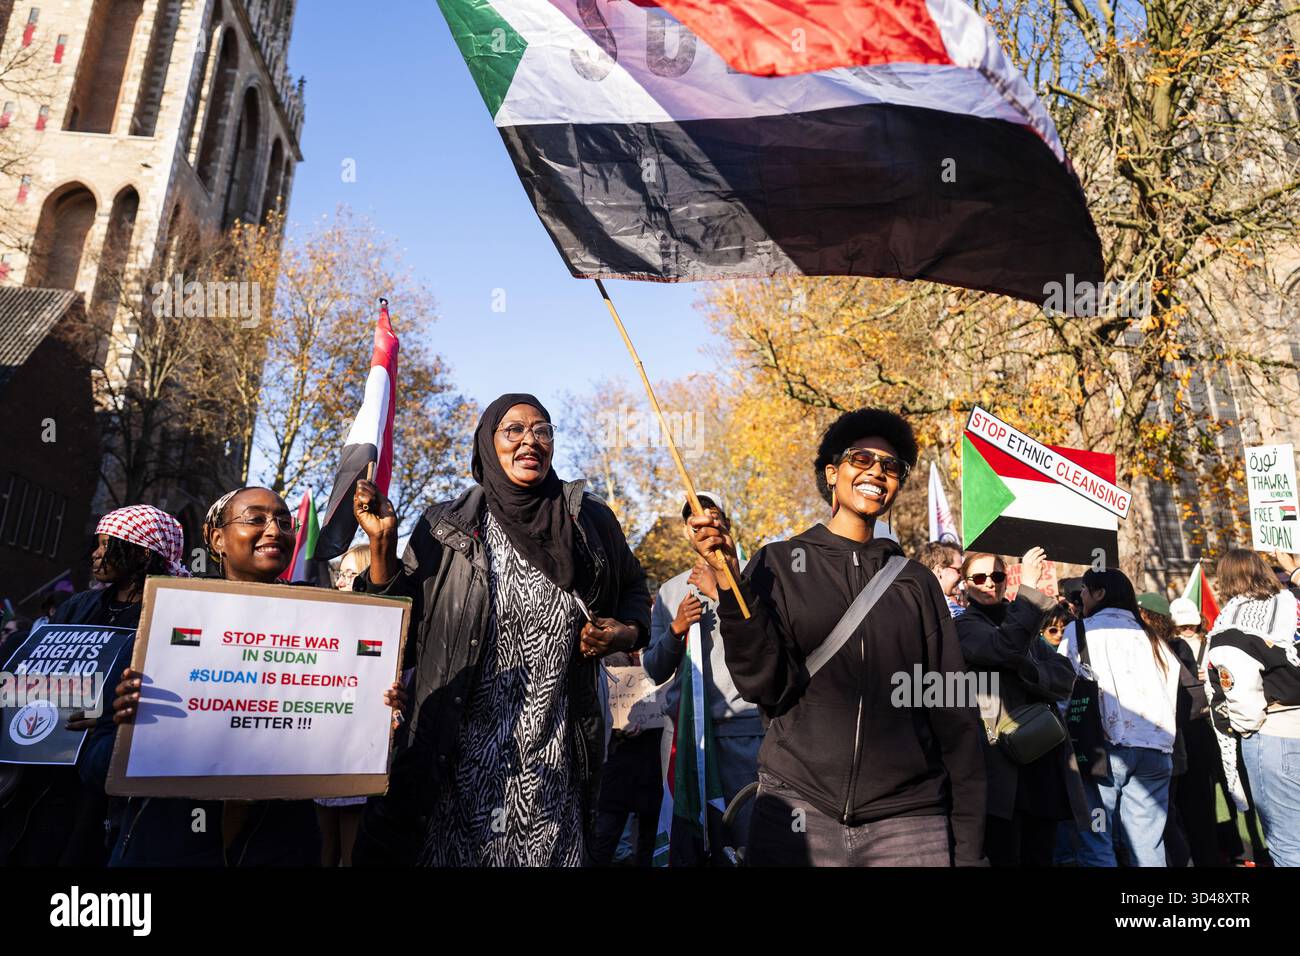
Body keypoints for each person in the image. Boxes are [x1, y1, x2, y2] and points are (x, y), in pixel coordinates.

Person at [351, 393, 651, 867]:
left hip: (555, 768)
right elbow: (394, 637)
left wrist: (626, 632)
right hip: (454, 769)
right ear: (488, 444)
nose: (530, 440)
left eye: (542, 430)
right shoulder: (443, 527)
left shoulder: (588, 521)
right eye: (513, 430)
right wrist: (383, 544)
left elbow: (634, 588)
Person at [688, 408, 986, 866]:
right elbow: (762, 683)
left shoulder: (916, 582)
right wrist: (731, 585)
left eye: (891, 467)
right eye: (861, 458)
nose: (876, 472)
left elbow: (955, 713)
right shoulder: (780, 564)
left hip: (908, 823)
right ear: (832, 472)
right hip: (798, 811)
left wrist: (969, 848)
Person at [87, 488, 403, 866]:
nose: (274, 530)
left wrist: (373, 708)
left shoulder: (326, 627)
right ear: (216, 538)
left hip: (279, 847)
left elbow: (380, 626)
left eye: (285, 522)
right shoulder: (165, 619)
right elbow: (93, 759)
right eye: (255, 519)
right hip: (167, 844)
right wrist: (130, 736)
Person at [0, 505, 188, 867]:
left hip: (107, 771)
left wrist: (104, 716)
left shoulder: (171, 611)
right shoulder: (78, 606)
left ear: (143, 551)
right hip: (47, 761)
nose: (96, 553)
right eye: (96, 543)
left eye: (107, 544)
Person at [643, 493, 762, 864]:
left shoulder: (754, 577)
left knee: (747, 837)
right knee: (691, 843)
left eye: (715, 519)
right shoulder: (669, 591)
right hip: (686, 737)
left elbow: (766, 644)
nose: (707, 527)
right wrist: (676, 629)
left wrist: (722, 592)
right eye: (697, 523)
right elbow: (654, 668)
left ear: (727, 524)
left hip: (743, 731)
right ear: (687, 532)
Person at [956, 549, 1088, 866]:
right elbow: (1005, 649)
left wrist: (1028, 671)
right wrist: (1027, 590)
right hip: (1001, 768)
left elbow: (1063, 675)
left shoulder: (1022, 622)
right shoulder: (963, 626)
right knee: (1006, 855)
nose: (990, 583)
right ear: (965, 585)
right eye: (979, 577)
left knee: (1041, 855)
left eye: (998, 576)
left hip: (1043, 762)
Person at [1058, 568, 1179, 867]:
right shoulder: (1154, 639)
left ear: (1100, 594)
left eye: (1085, 590)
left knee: (1097, 842)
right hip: (1155, 751)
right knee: (1148, 848)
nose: (1080, 597)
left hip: (1103, 751)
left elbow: (1062, 688)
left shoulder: (1081, 631)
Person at [1205, 549, 1300, 867]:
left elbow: (1244, 701)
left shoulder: (1234, 623)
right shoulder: (1291, 603)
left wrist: (1244, 726)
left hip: (1275, 734)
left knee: (1288, 845)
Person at [315, 543, 373, 866]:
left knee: (352, 854)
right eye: (340, 574)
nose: (339, 582)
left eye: (349, 575)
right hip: (323, 757)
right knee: (323, 850)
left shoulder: (386, 632)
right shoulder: (326, 626)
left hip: (359, 760)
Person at [918, 541, 965, 618]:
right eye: (958, 570)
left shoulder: (919, 602)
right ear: (939, 570)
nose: (962, 576)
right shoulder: (947, 612)